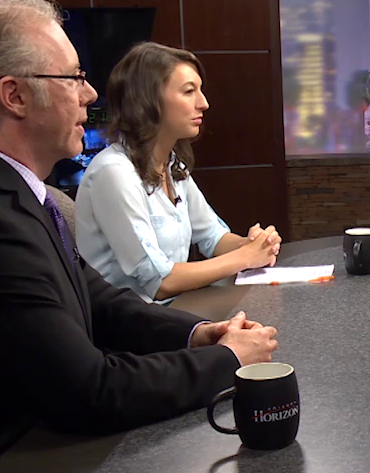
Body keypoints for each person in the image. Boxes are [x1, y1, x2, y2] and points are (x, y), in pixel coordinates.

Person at [0, 0, 278, 473]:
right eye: (72, 77)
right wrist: (225, 362)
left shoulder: (14, 192)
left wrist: (198, 335)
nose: (90, 93)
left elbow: (99, 301)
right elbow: (90, 392)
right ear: (13, 96)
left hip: (37, 455)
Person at [74, 42, 281, 303]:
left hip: (176, 314)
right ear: (148, 102)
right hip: (131, 331)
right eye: (188, 91)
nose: (203, 103)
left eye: (200, 91)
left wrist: (253, 245)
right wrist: (243, 258)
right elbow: (159, 281)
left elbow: (212, 237)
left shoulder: (173, 166)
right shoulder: (113, 173)